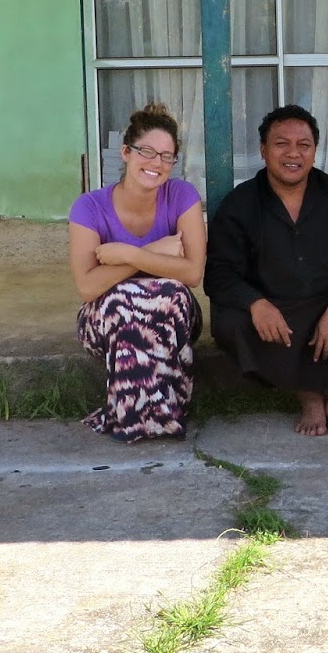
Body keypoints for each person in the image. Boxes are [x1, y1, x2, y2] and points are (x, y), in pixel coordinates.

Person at [206, 105, 328, 440]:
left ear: (315, 151)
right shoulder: (240, 204)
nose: (293, 154)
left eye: (304, 145)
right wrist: (256, 304)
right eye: (281, 144)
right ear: (263, 150)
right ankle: (310, 398)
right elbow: (218, 273)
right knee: (229, 323)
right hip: (277, 316)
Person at [69, 102, 206, 442]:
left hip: (173, 316)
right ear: (126, 152)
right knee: (123, 302)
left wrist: (127, 255)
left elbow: (192, 274)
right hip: (106, 322)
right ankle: (155, 415)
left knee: (168, 295)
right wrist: (153, 252)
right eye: (147, 151)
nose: (156, 163)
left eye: (166, 156)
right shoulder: (89, 207)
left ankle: (139, 416)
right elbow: (88, 287)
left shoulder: (183, 196)